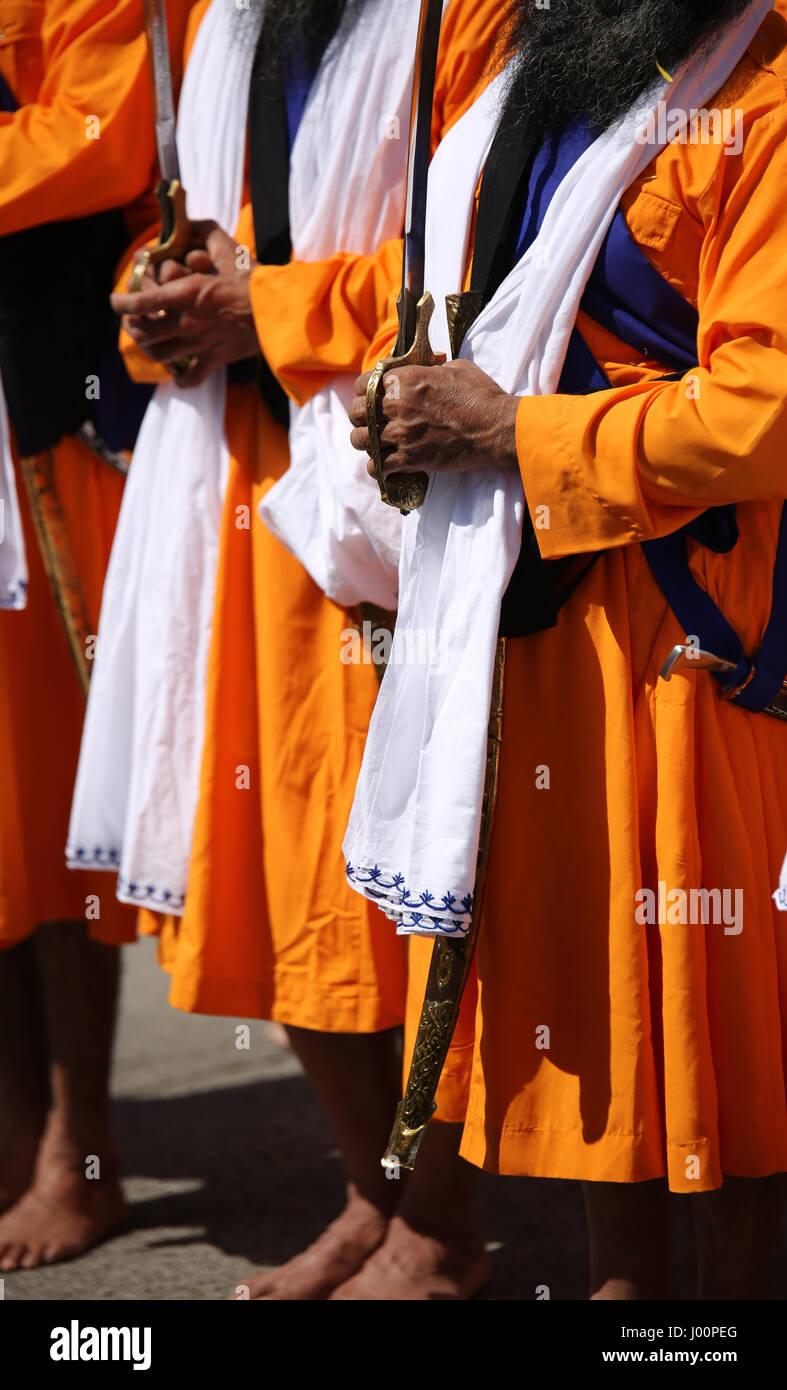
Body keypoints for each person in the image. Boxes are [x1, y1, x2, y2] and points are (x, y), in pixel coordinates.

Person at [347, 0, 787, 1299]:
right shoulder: (550, 80)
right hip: (538, 611)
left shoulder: (761, 94)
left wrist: (510, 434)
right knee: (602, 995)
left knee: (716, 1019)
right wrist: (416, 417)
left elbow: (761, 411)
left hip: (689, 625)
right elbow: (479, 308)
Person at [79, 0, 510, 1300]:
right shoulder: (223, 19)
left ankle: (439, 1221)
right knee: (281, 864)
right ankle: (363, 1195)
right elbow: (189, 220)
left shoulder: (461, 18)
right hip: (227, 484)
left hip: (377, 487)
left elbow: (483, 251)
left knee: (396, 875)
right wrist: (158, 305)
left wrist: (258, 305)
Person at [0, 0, 193, 1272]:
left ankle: (79, 1145)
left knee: (57, 807)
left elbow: (100, 134)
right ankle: (18, 1133)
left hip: (55, 413)